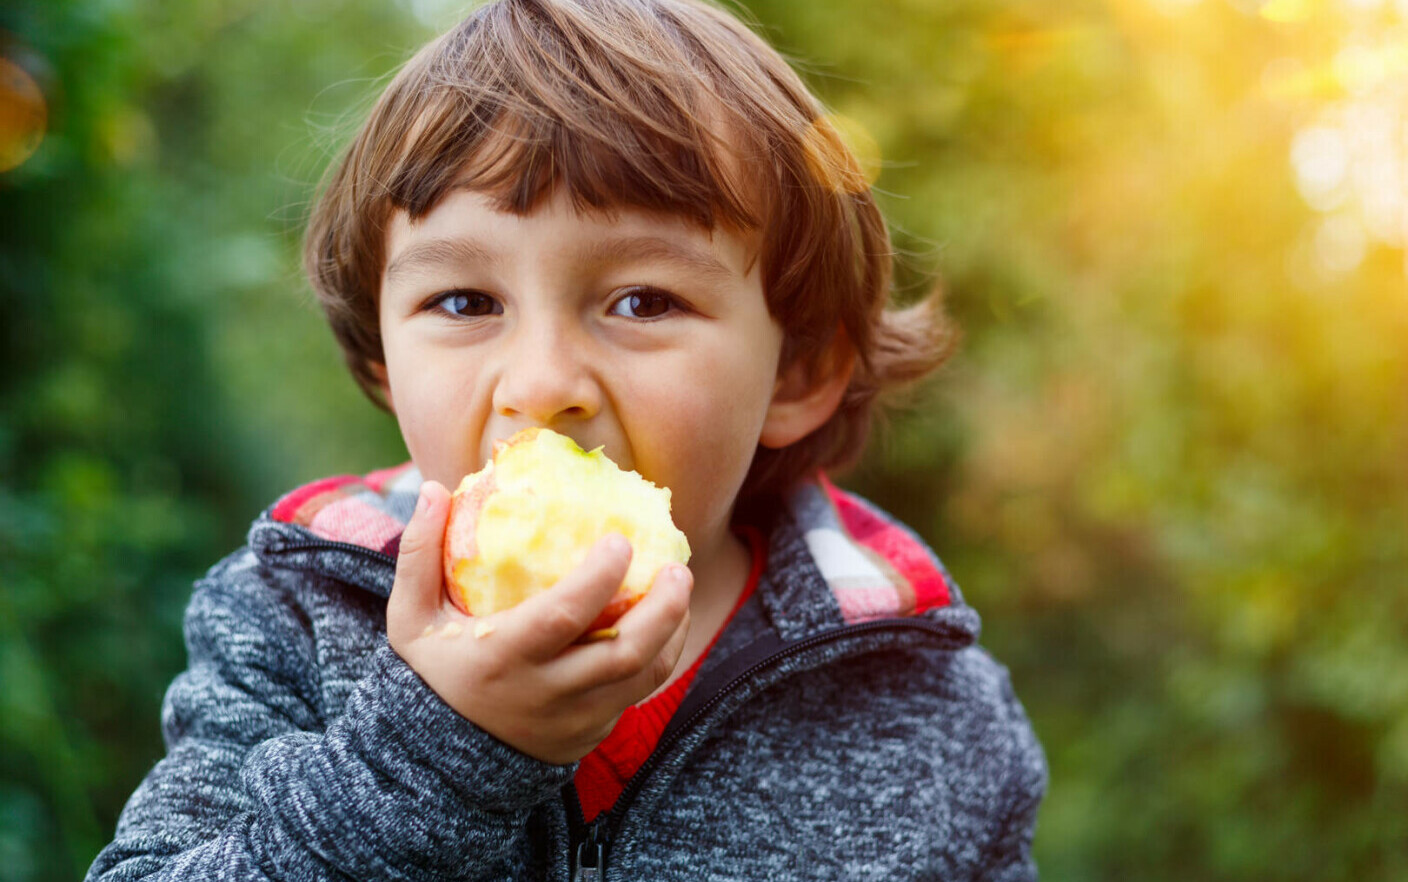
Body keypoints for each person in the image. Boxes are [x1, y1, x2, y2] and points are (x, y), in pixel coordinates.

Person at [87, 0, 1046, 878]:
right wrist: (437, 752)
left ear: (795, 372)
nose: (542, 386)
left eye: (643, 301)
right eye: (464, 302)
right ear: (381, 357)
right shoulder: (294, 619)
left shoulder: (933, 714)